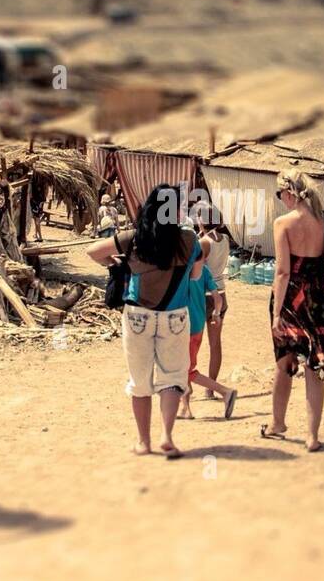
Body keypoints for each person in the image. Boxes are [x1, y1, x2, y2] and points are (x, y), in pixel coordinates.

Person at [87, 184, 204, 459]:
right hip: (175, 317)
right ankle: (167, 436)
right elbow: (197, 276)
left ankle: (143, 441)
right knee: (173, 378)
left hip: (137, 315)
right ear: (175, 211)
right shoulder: (189, 240)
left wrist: (119, 264)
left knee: (140, 381)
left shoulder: (133, 238)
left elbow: (92, 251)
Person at [263, 167, 324, 452]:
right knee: (315, 364)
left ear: (289, 191)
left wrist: (277, 313)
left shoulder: (284, 223)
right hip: (321, 297)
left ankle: (278, 423)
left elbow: (282, 273)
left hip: (292, 300)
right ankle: (312, 436)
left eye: (281, 194)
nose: (281, 200)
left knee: (284, 362)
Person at [178, 228, 237, 420]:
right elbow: (217, 297)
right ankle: (185, 406)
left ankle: (224, 391)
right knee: (196, 358)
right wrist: (217, 314)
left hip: (186, 325)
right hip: (203, 319)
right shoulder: (205, 270)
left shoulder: (182, 272)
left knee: (186, 369)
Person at [191, 201, 232, 394]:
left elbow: (194, 267)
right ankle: (211, 388)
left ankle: (187, 387)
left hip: (203, 296)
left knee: (192, 343)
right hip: (221, 293)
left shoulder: (202, 243)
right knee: (215, 343)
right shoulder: (224, 239)